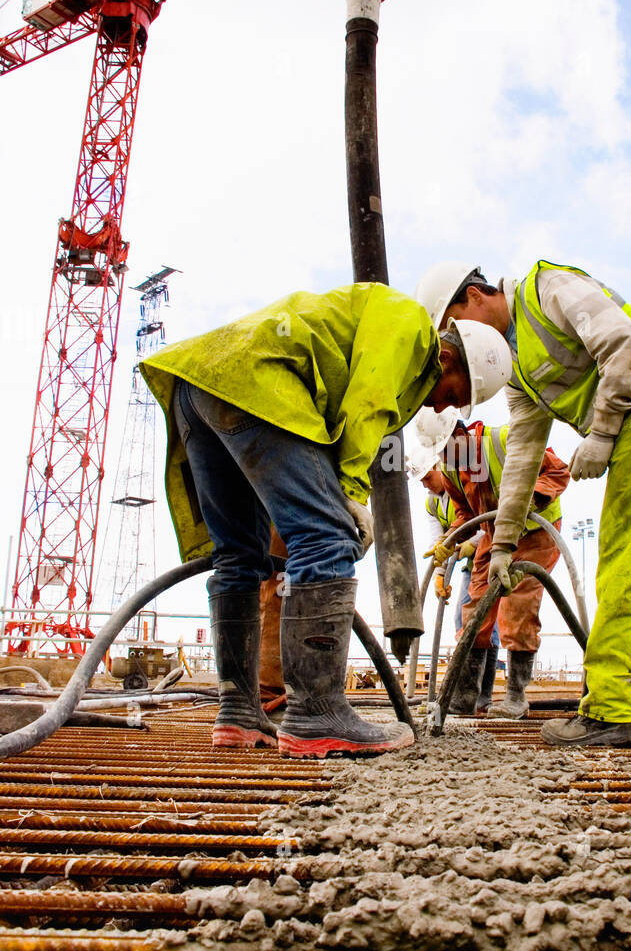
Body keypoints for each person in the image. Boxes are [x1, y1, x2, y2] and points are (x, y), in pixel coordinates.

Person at [141, 281, 513, 759]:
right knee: (328, 537)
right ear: (447, 360)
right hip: (256, 384)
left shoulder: (388, 331)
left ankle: (237, 711)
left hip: (200, 384)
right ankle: (317, 714)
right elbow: (369, 401)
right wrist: (351, 499)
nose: (442, 407)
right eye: (452, 394)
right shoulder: (413, 330)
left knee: (239, 556)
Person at [415, 260, 631, 747]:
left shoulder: (546, 289)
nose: (456, 344)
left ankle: (612, 712)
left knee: (622, 561)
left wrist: (601, 431)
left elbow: (622, 341)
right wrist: (502, 546)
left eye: (453, 326)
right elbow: (522, 458)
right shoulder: (516, 374)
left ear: (473, 296)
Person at [432, 418, 569, 718]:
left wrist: (531, 499)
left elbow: (558, 470)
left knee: (516, 603)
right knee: (475, 607)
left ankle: (515, 697)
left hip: (535, 531)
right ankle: (465, 696)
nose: (446, 459)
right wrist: (450, 538)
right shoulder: (451, 469)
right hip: (495, 534)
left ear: (461, 434)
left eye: (447, 449)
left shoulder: (506, 439)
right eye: (440, 454)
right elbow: (465, 514)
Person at [407, 442, 499, 712]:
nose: (425, 484)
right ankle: (470, 694)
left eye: (426, 477)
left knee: (483, 620)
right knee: (463, 617)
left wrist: (474, 543)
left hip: (495, 553)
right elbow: (440, 542)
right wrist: (439, 576)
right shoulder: (433, 503)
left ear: (438, 467)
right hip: (471, 561)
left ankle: (483, 696)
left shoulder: (467, 482)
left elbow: (490, 520)